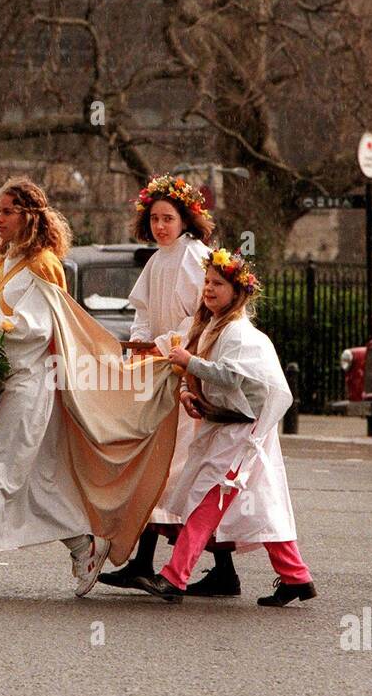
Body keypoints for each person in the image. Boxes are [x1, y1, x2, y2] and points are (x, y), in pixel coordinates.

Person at [0, 178, 182, 598]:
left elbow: (40, 328)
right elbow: (1, 318)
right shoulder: (9, 259)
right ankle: (85, 548)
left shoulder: (42, 264)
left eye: (8, 210)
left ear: (29, 215)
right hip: (16, 383)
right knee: (38, 481)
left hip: (30, 385)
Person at [132, 249, 316, 607]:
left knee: (206, 501)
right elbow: (195, 375)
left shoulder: (241, 333)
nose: (209, 289)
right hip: (224, 429)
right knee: (262, 504)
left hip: (241, 434)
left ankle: (174, 576)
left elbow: (232, 376)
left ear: (237, 291)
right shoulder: (209, 326)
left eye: (218, 283)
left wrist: (191, 363)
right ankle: (296, 577)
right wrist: (187, 392)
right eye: (207, 282)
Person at [99, 174, 240, 595]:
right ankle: (146, 562)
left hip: (186, 369)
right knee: (161, 466)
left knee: (180, 469)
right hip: (163, 367)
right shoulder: (158, 259)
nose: (161, 226)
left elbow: (199, 315)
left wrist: (160, 346)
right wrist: (139, 347)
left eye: (168, 218)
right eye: (155, 218)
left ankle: (219, 567)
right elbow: (143, 311)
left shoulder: (194, 256)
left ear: (186, 219)